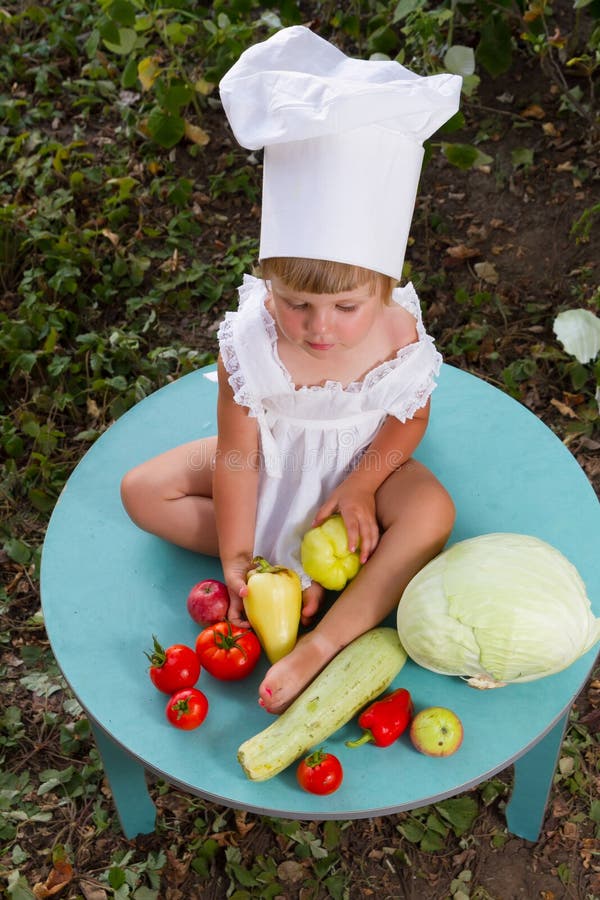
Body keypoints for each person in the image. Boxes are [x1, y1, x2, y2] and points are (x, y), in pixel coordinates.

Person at [121, 26, 462, 714]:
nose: (319, 327)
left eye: (345, 305)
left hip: (363, 462)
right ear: (267, 284)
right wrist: (237, 558)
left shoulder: (398, 331)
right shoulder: (252, 342)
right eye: (295, 302)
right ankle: (274, 569)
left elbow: (409, 416)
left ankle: (328, 638)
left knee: (432, 511)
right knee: (141, 492)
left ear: (384, 290)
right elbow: (241, 457)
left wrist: (364, 488)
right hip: (267, 462)